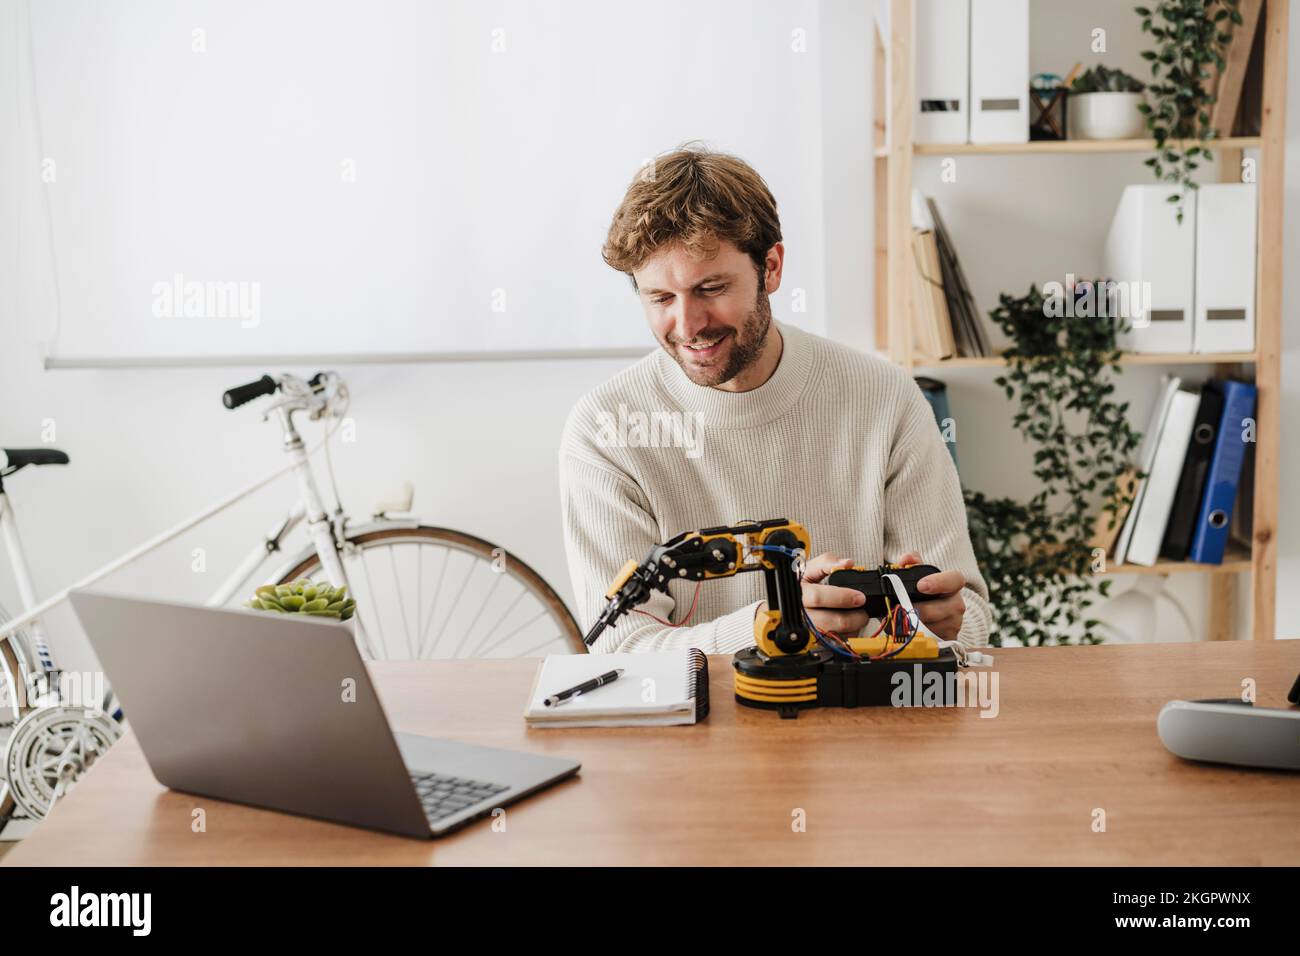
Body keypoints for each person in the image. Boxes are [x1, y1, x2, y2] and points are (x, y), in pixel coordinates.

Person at [559, 144, 990, 653]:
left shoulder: (885, 399)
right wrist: (778, 623)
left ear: (772, 267)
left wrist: (941, 623)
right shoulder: (606, 428)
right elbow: (622, 647)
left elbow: (974, 617)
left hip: (861, 725)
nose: (688, 325)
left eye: (711, 287)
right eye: (660, 299)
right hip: (698, 729)